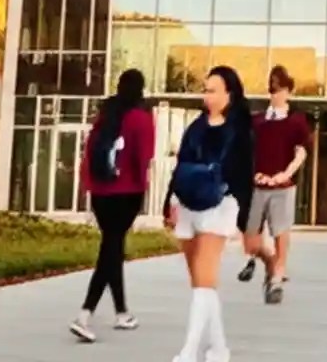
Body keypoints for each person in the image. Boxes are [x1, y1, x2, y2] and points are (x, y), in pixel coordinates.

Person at [164, 66, 255, 362]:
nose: (207, 95)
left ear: (229, 93)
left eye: (213, 89)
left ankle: (189, 352)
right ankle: (219, 348)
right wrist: (169, 203)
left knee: (204, 280)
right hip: (188, 204)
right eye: (205, 89)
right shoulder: (196, 125)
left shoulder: (240, 129)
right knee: (202, 285)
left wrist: (248, 225)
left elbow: (245, 177)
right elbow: (180, 165)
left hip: (221, 205)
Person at [70, 68, 156, 343]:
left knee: (112, 246)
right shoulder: (141, 118)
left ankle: (122, 312)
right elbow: (145, 156)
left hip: (101, 193)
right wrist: (143, 187)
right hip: (127, 191)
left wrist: (90, 186)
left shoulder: (105, 114)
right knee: (110, 250)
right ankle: (84, 314)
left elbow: (90, 150)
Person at [238, 65, 310, 304]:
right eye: (271, 89)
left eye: (279, 89)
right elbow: (246, 152)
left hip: (282, 187)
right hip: (258, 186)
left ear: (288, 91)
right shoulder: (257, 121)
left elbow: (301, 154)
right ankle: (268, 263)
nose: (275, 94)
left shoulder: (296, 122)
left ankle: (277, 279)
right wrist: (252, 173)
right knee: (250, 240)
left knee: (280, 234)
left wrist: (284, 174)